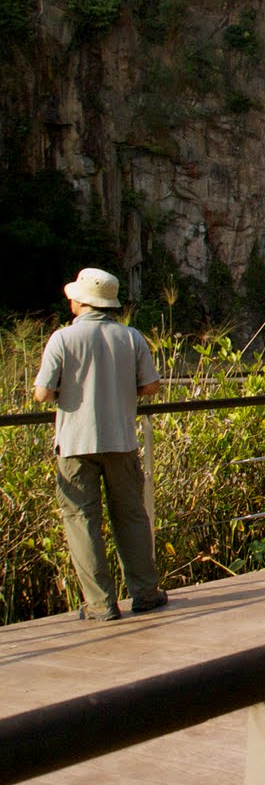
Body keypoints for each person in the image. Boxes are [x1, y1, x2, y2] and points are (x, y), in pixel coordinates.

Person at [32, 267, 167, 622]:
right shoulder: (131, 337)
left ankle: (100, 604)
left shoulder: (62, 339)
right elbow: (151, 386)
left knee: (81, 520)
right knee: (131, 516)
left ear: (81, 302)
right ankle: (145, 593)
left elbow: (43, 393)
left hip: (75, 443)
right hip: (120, 440)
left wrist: (67, 390)